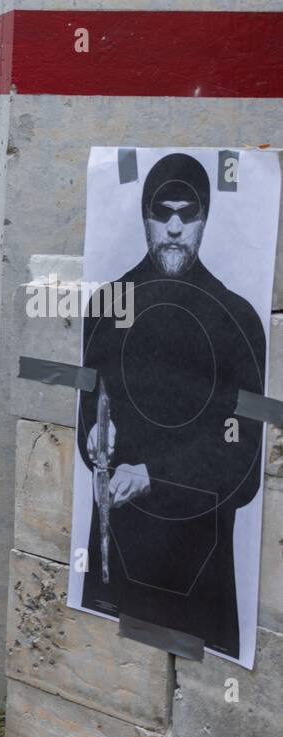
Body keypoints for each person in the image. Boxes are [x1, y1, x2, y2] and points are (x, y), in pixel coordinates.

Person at [77, 152, 267, 659]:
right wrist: (96, 436)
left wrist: (153, 473)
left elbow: (244, 461)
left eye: (189, 213)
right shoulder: (108, 303)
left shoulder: (240, 320)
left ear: (205, 218)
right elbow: (86, 407)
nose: (176, 227)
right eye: (164, 213)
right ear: (146, 216)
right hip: (116, 562)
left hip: (198, 572)